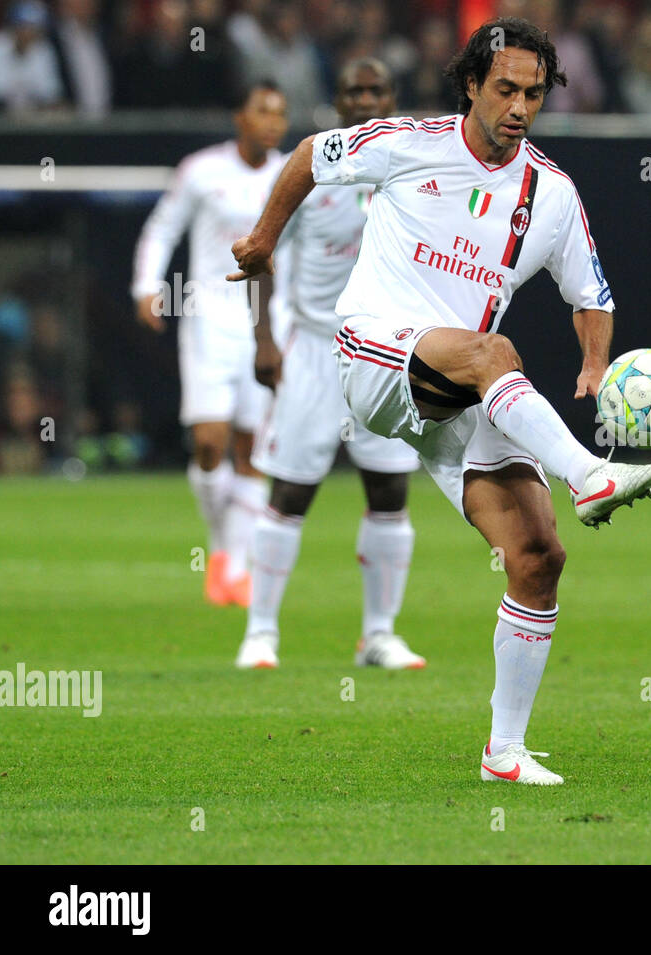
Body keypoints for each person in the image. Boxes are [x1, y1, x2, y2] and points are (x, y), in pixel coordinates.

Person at [228, 18, 651, 785]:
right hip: (373, 352)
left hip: (460, 392)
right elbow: (309, 155)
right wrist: (265, 239)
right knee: (496, 351)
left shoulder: (553, 194)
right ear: (471, 84)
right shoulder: (408, 141)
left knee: (538, 555)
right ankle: (591, 472)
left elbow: (591, 292)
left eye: (534, 93)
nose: (520, 106)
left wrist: (596, 362)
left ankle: (504, 752)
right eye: (506, 88)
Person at [235, 59, 425, 671]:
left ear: (393, 98)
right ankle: (260, 633)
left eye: (377, 89)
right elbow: (257, 254)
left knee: (390, 490)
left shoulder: (418, 169)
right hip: (316, 347)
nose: (366, 98)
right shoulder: (309, 171)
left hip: (389, 350)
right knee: (290, 490)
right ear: (338, 102)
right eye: (354, 90)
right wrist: (264, 340)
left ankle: (379, 635)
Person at [131, 81, 289, 607]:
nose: (272, 122)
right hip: (207, 319)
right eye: (262, 111)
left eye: (279, 114)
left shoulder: (291, 174)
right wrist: (147, 286)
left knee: (251, 449)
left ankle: (234, 569)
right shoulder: (201, 171)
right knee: (208, 442)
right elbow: (162, 227)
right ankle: (221, 544)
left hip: (269, 325)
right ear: (239, 118)